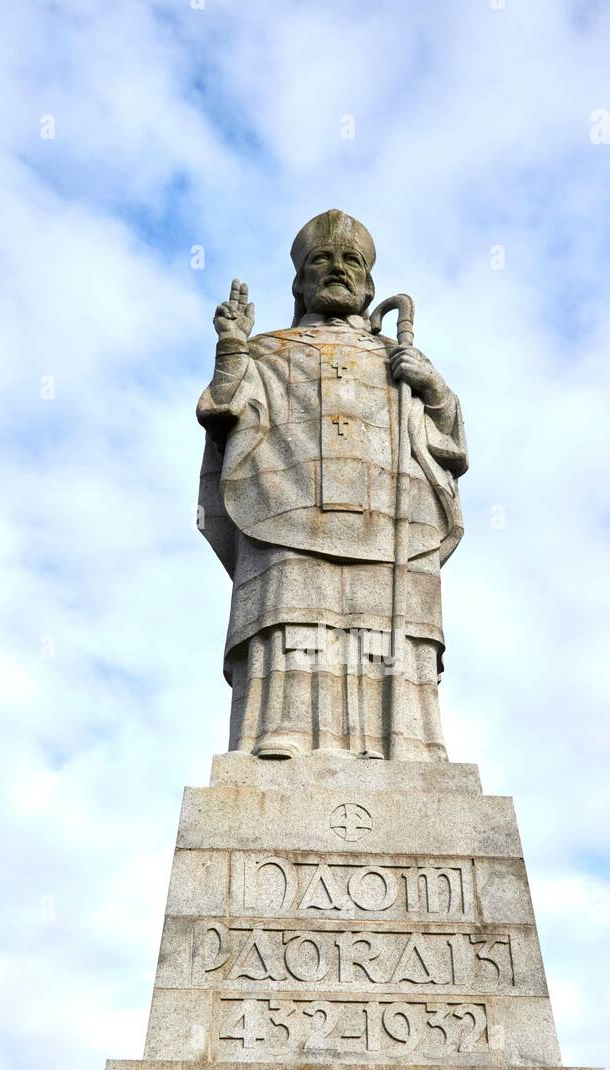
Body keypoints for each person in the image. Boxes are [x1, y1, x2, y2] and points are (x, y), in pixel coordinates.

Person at [196, 210, 467, 760]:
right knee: (296, 619)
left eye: (352, 262)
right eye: (323, 259)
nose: (338, 269)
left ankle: (409, 741)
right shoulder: (267, 352)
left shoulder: (400, 361)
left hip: (393, 520)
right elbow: (224, 411)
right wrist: (232, 349)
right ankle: (284, 732)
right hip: (286, 510)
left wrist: (432, 386)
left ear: (368, 285)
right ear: (299, 281)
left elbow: (450, 443)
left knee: (394, 630)